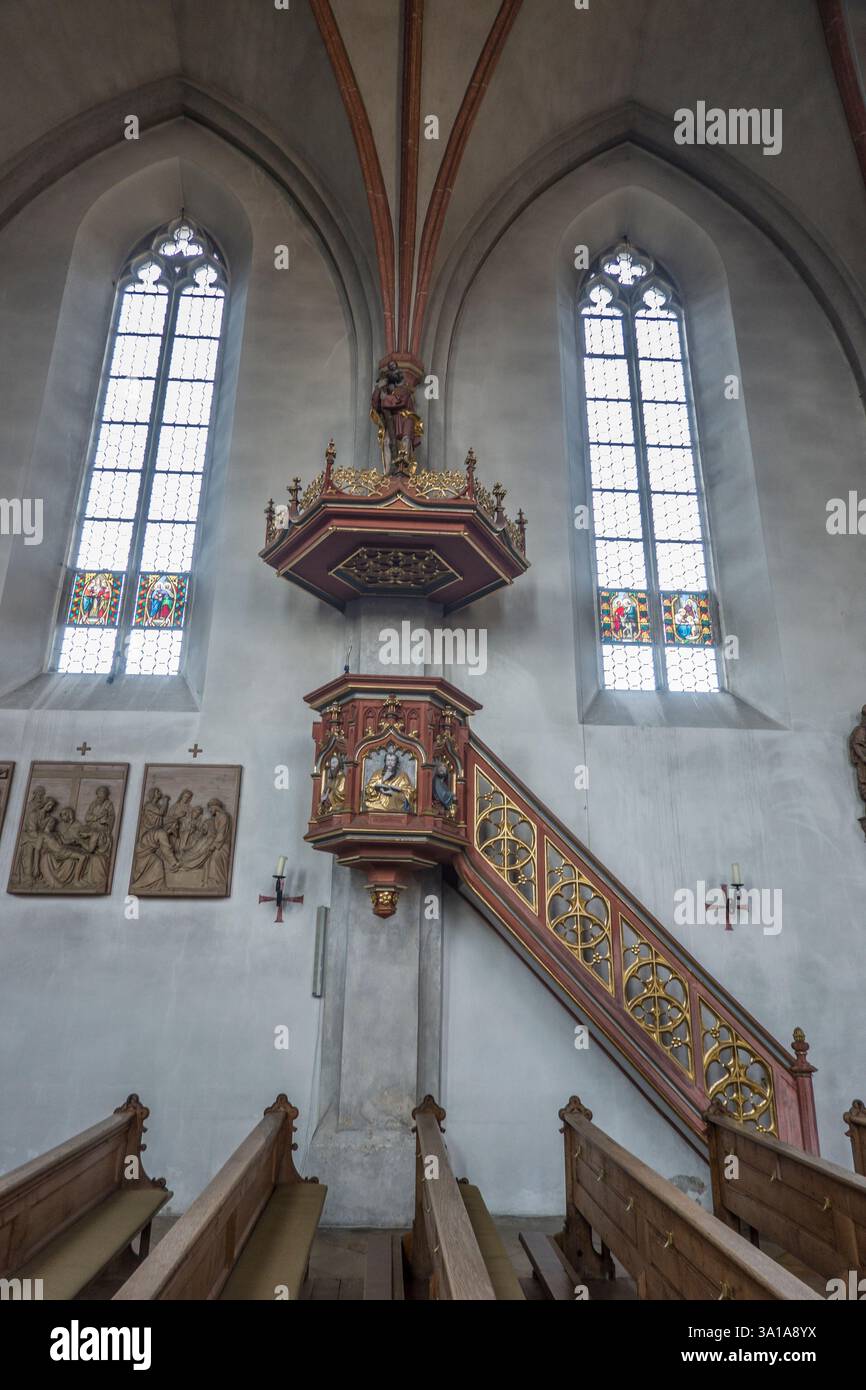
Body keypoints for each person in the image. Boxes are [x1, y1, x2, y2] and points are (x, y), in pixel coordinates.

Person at [363, 745, 416, 813]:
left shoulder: (403, 775)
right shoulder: (378, 773)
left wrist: (395, 791)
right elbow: (368, 788)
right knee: (370, 805)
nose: (390, 762)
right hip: (378, 800)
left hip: (395, 801)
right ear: (385, 762)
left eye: (392, 760)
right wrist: (383, 779)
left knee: (395, 796)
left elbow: (409, 791)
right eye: (388, 760)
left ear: (396, 763)